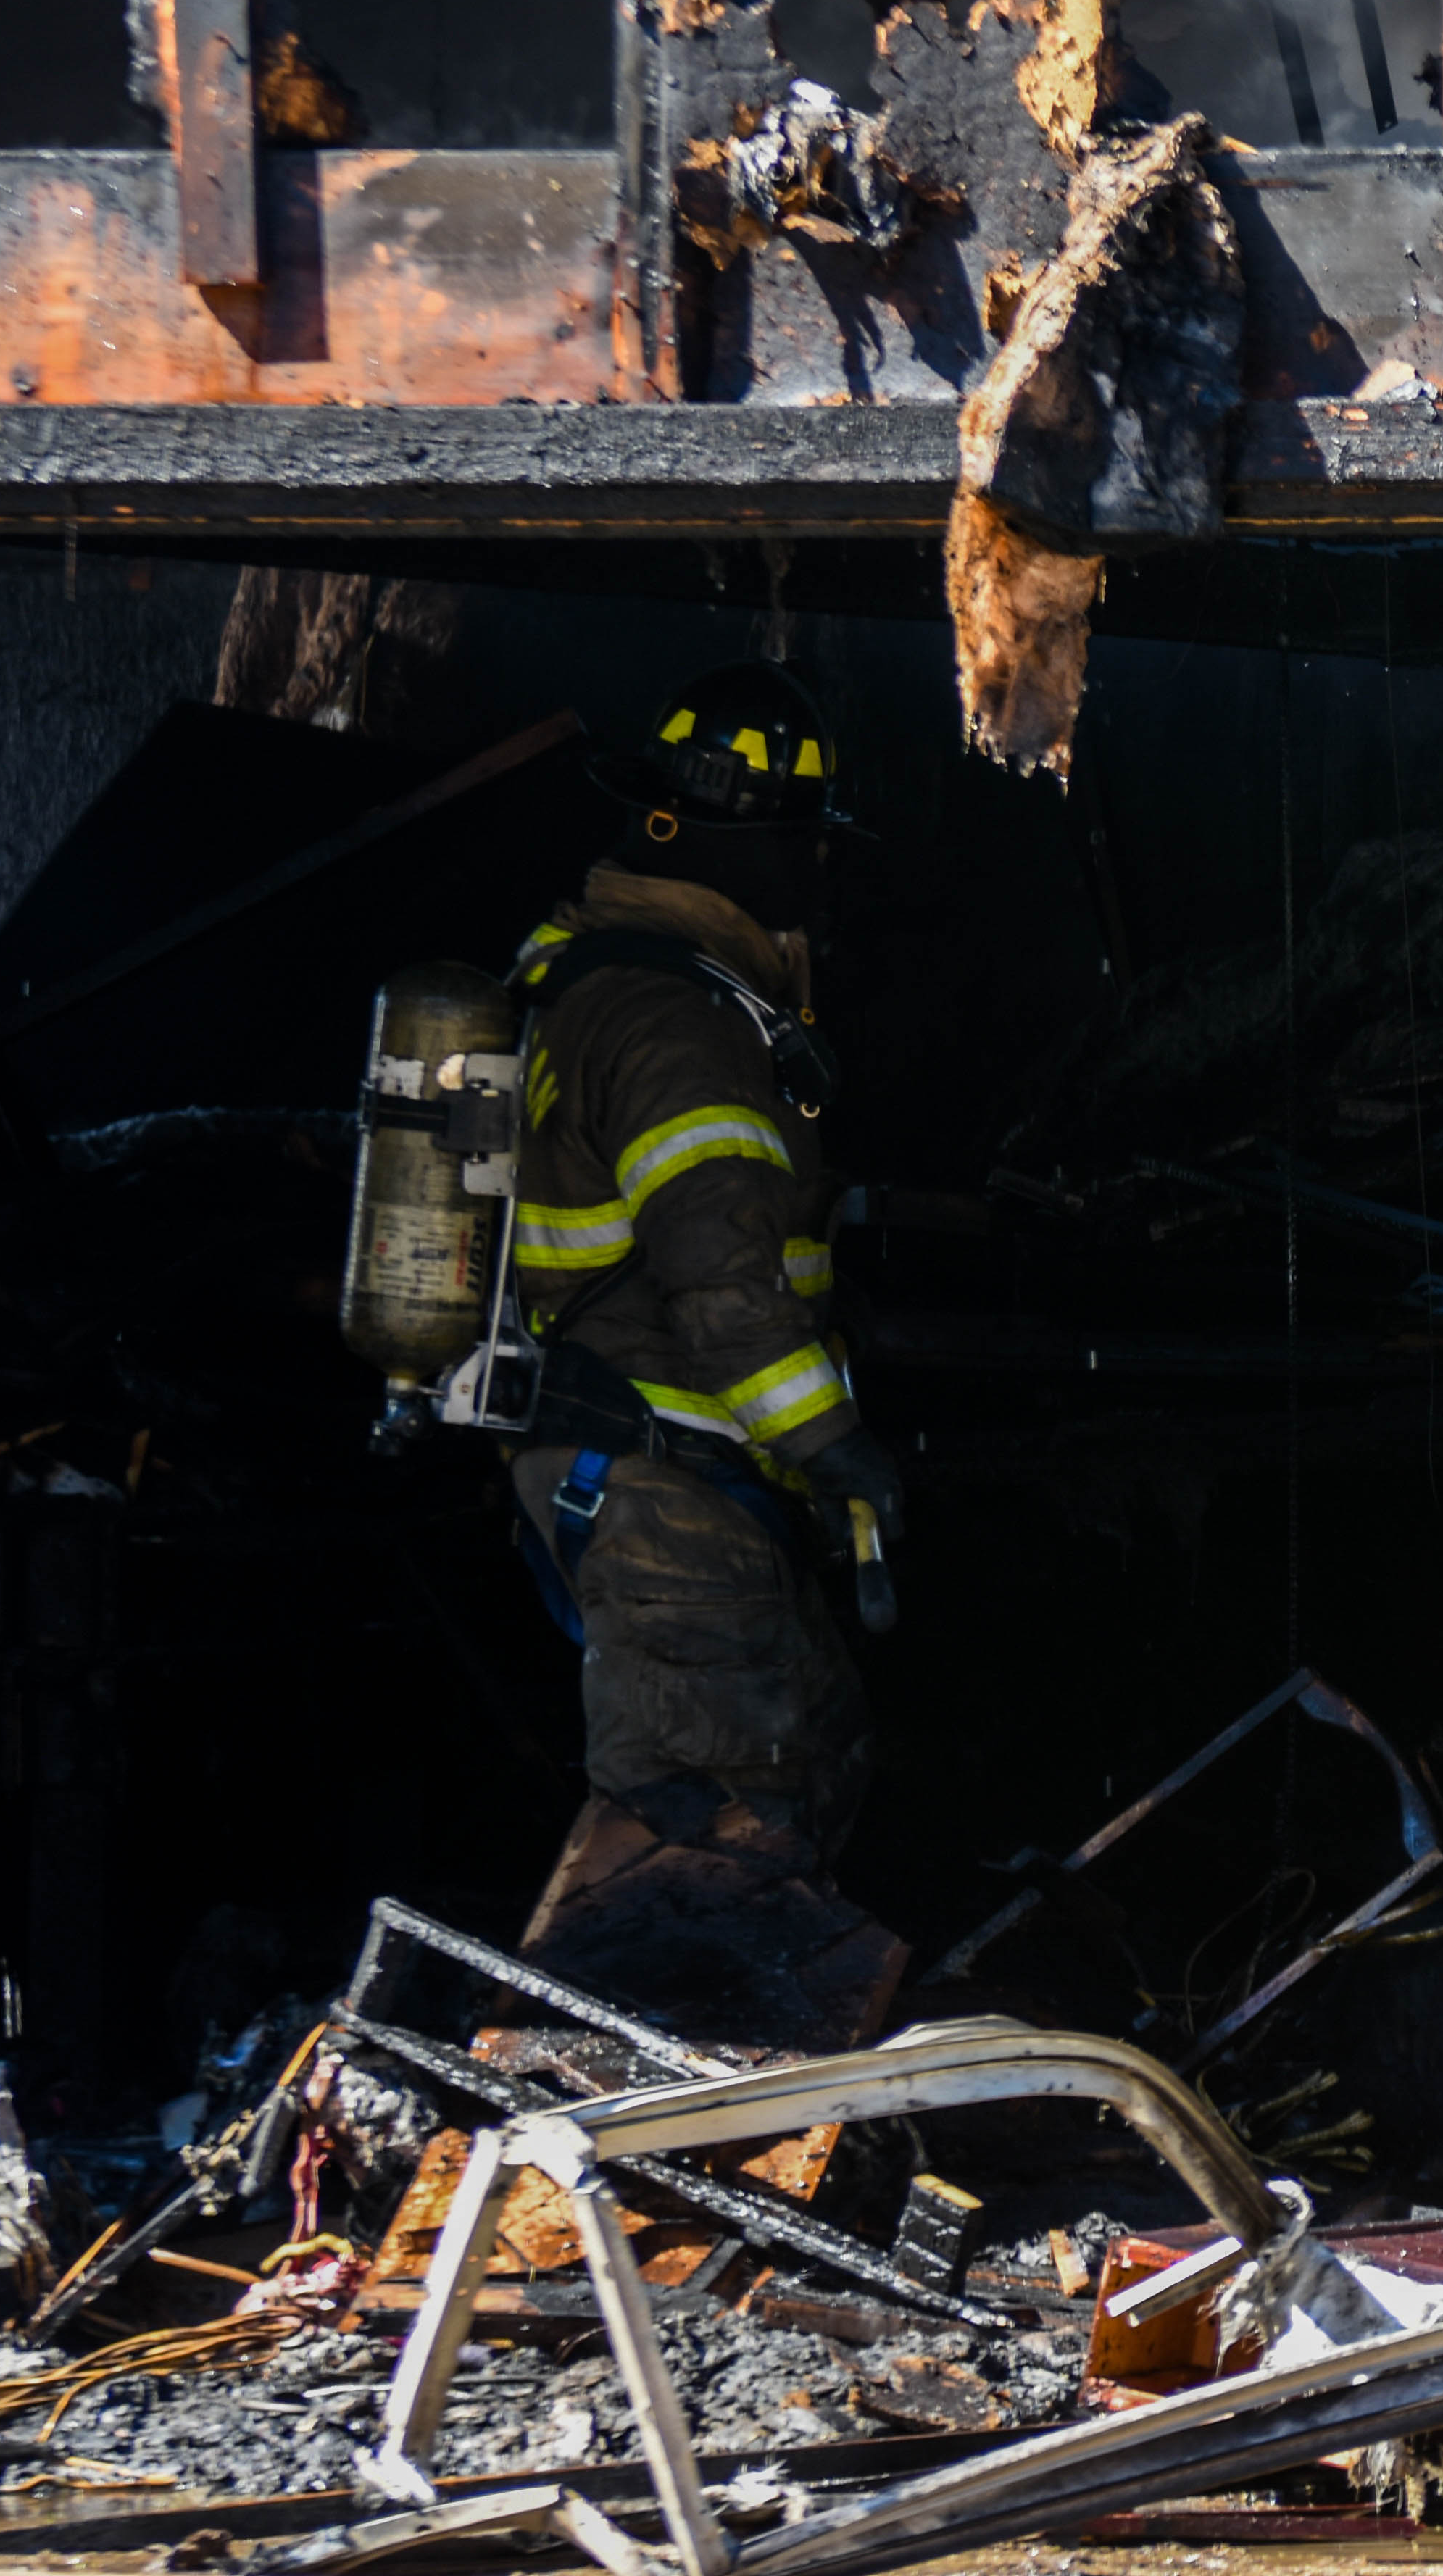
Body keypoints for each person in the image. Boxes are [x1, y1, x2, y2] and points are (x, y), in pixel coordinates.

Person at [499, 664, 907, 2022]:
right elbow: (720, 1273)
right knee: (705, 1837)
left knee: (779, 1782)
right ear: (762, 849)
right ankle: (623, 2165)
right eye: (807, 847)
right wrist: (839, 1448)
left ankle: (694, 2141)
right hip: (664, 1479)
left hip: (654, 1476)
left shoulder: (628, 988)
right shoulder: (677, 1021)